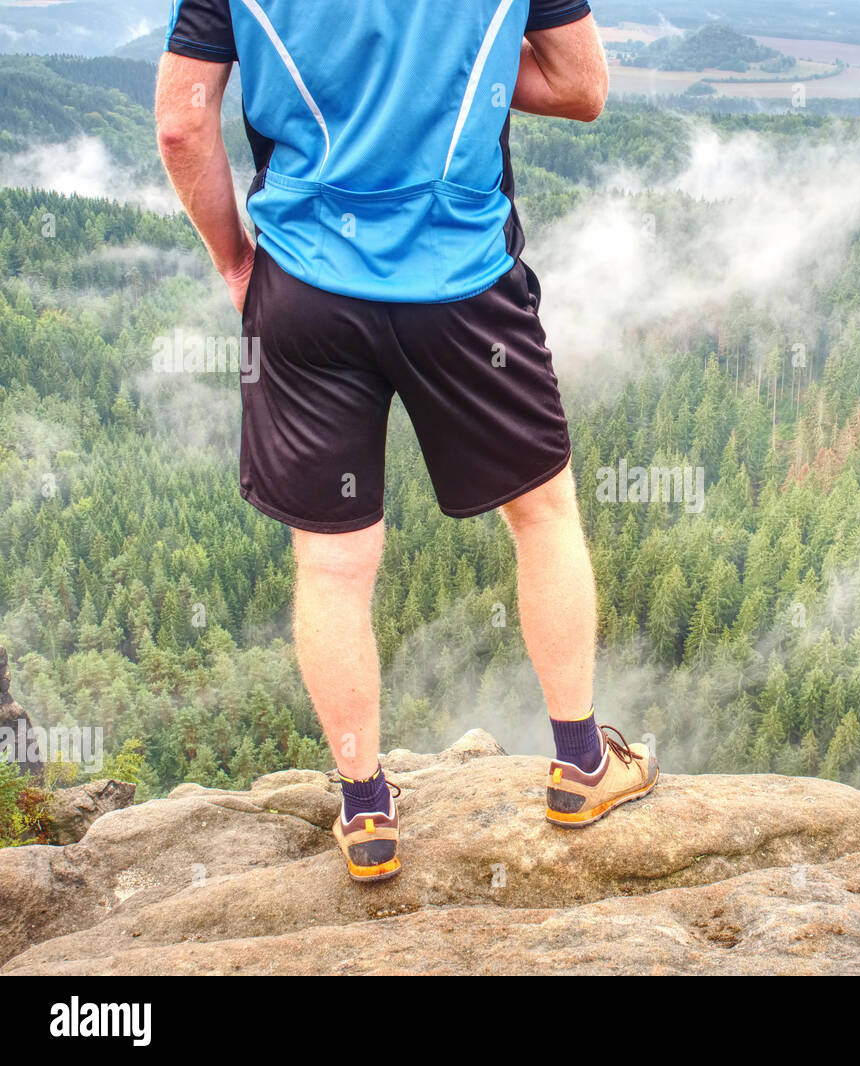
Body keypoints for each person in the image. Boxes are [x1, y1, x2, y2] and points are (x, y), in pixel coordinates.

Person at [155, 0, 658, 884]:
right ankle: (582, 765)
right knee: (543, 514)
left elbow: (181, 127)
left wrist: (238, 263)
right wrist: (454, 87)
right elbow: (581, 86)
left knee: (333, 563)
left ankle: (366, 813)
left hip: (306, 284)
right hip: (463, 281)